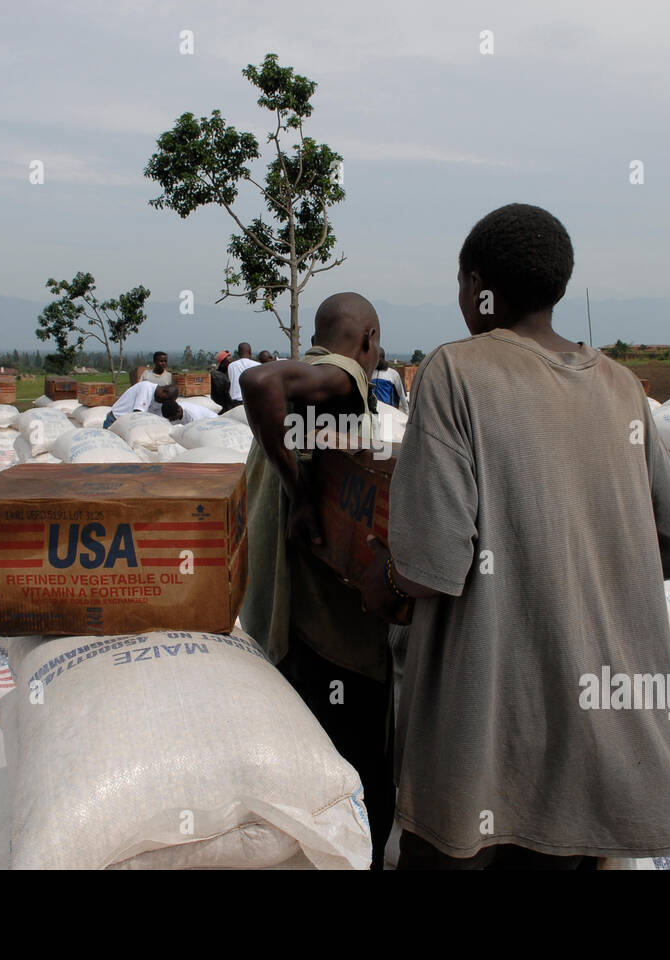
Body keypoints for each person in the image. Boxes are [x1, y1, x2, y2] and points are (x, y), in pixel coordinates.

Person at [360, 203, 670, 870]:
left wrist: (385, 579)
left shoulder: (455, 372)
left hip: (489, 734)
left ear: (476, 284)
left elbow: (433, 565)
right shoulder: (621, 386)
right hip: (600, 748)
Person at [239, 292, 394, 870]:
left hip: (288, 618)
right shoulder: (347, 377)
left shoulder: (309, 393)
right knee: (358, 770)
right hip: (332, 631)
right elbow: (258, 382)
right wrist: (301, 492)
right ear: (368, 339)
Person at [101, 380, 179, 430]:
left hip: (127, 426)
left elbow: (157, 419)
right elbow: (138, 415)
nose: (162, 402)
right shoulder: (146, 388)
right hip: (115, 420)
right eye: (164, 399)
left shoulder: (161, 400)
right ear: (163, 391)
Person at [223, 342, 260, 412]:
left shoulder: (231, 366)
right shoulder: (258, 365)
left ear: (237, 353)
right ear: (250, 352)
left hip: (234, 403)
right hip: (252, 402)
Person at [369, 348, 408, 412]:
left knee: (387, 422)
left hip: (389, 412)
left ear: (382, 357)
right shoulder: (370, 373)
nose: (374, 361)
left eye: (376, 358)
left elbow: (401, 394)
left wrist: (407, 412)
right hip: (373, 411)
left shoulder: (393, 374)